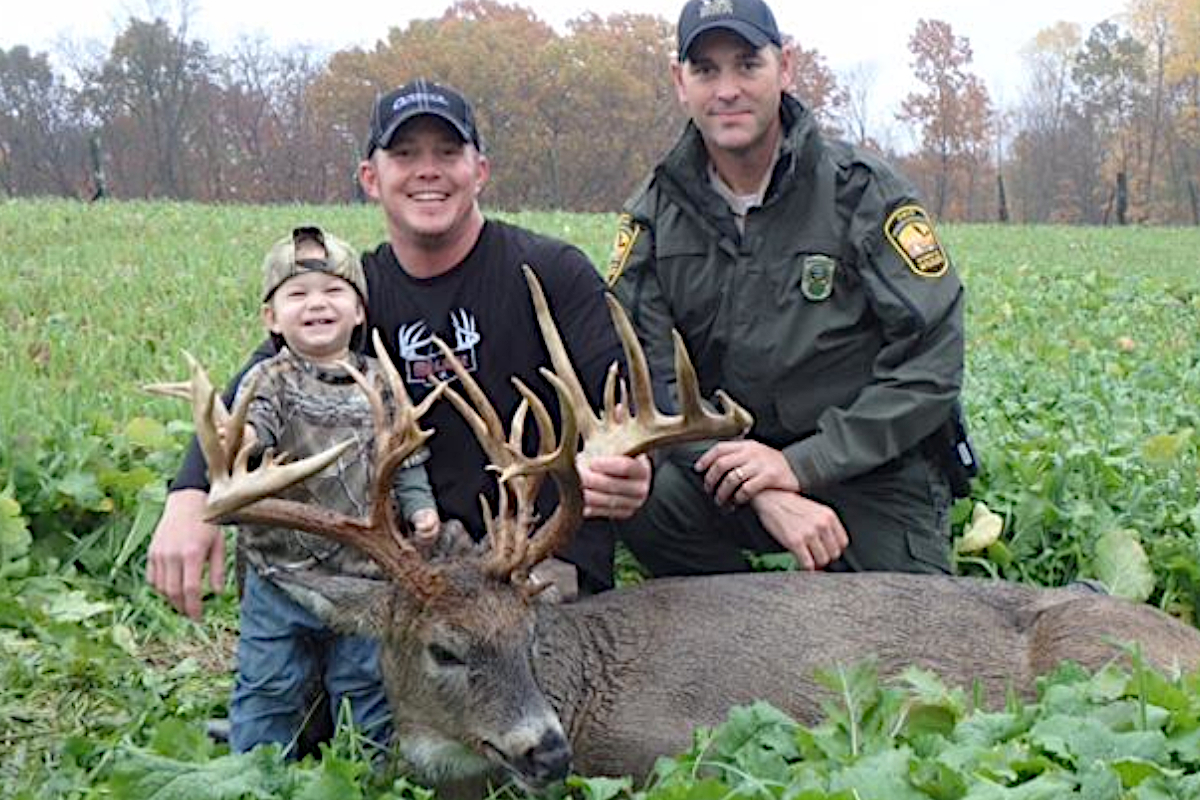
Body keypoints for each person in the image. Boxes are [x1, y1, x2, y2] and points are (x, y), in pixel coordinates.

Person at [146, 80, 651, 627]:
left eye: (448, 153)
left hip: (536, 558)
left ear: (479, 170)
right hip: (409, 562)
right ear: (371, 178)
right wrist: (190, 495)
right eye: (405, 154)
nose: (427, 170)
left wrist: (631, 463)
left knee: (500, 675)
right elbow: (256, 387)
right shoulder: (352, 300)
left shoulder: (552, 272)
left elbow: (627, 405)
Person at [608, 0, 973, 577]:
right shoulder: (654, 216)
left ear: (786, 68)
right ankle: (737, 626)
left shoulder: (864, 196)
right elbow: (650, 383)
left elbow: (931, 363)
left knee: (910, 648)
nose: (727, 89)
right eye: (705, 70)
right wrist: (764, 488)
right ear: (681, 83)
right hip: (728, 472)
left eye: (747, 65)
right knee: (643, 497)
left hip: (866, 469)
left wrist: (803, 465)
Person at [223, 225, 440, 754]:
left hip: (365, 577)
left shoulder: (383, 382)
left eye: (333, 291)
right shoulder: (267, 381)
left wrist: (421, 507)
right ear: (271, 318)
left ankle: (374, 773)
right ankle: (254, 775)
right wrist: (244, 440)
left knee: (366, 683)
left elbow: (404, 456)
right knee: (268, 682)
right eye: (297, 295)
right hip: (280, 574)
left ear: (360, 311)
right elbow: (255, 428)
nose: (316, 304)